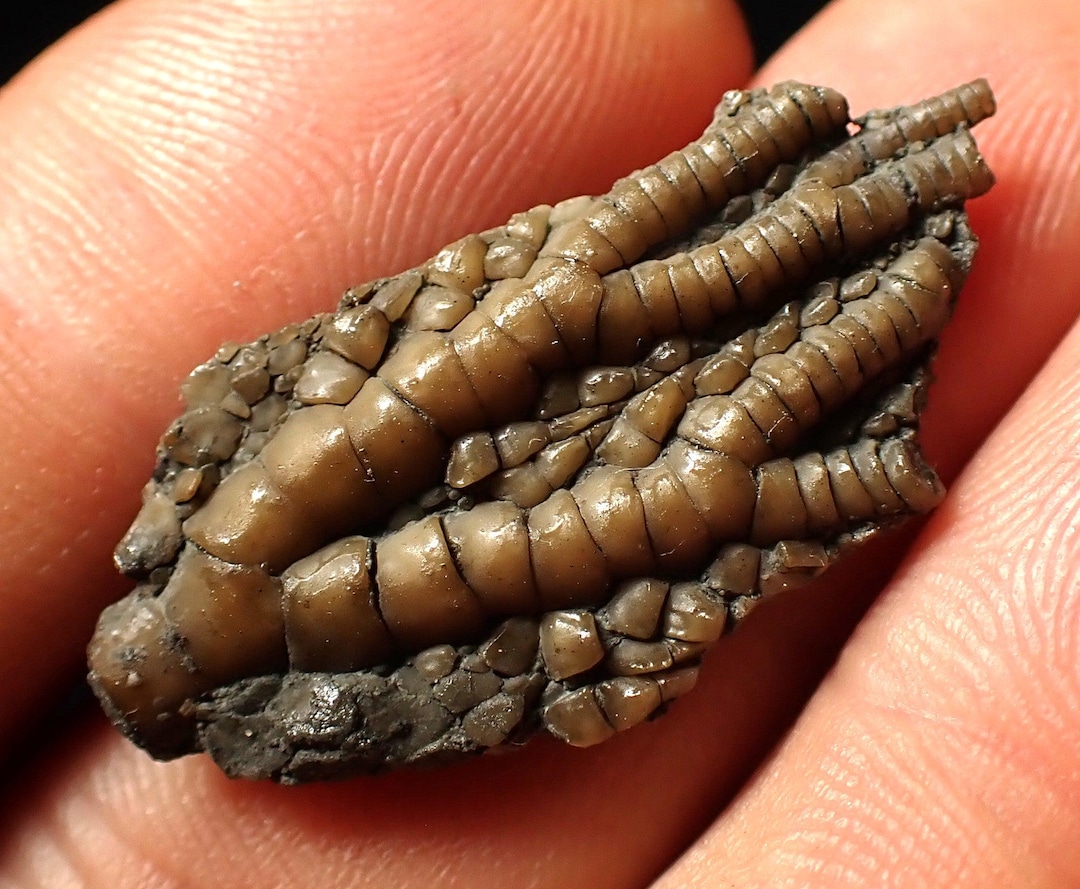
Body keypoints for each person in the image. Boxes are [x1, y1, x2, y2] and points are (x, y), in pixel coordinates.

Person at [0, 1, 1076, 885]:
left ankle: (867, 222)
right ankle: (872, 224)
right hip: (626, 434)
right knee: (642, 321)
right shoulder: (281, 587)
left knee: (633, 301)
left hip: (613, 408)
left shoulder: (255, 523)